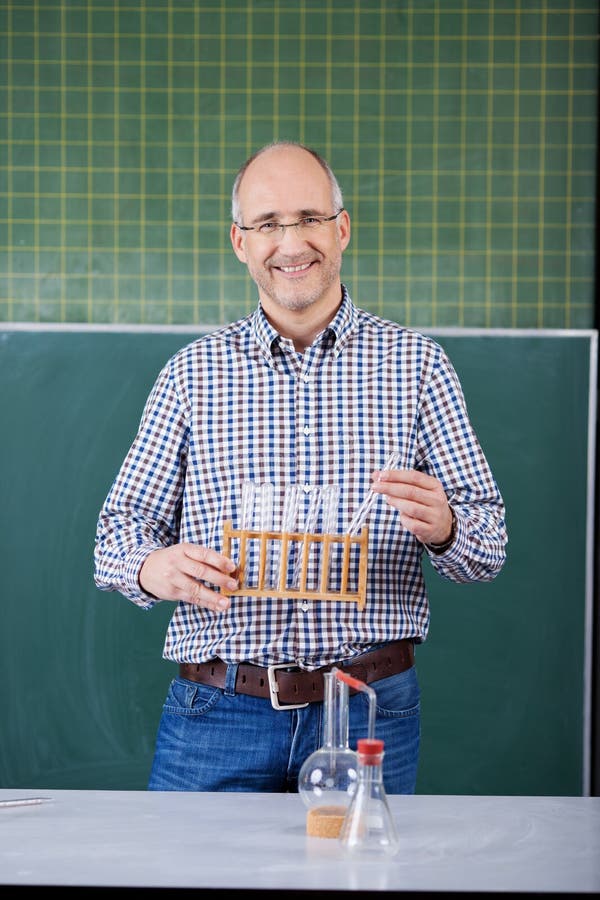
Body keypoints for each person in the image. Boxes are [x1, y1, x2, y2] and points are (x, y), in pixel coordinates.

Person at [94, 140, 507, 794]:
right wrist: (152, 566)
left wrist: (449, 528)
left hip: (370, 709)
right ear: (239, 242)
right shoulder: (191, 376)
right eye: (267, 224)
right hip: (219, 708)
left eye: (310, 218)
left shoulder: (418, 367)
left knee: (361, 882)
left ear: (341, 228)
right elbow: (116, 536)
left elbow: (487, 549)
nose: (291, 242)